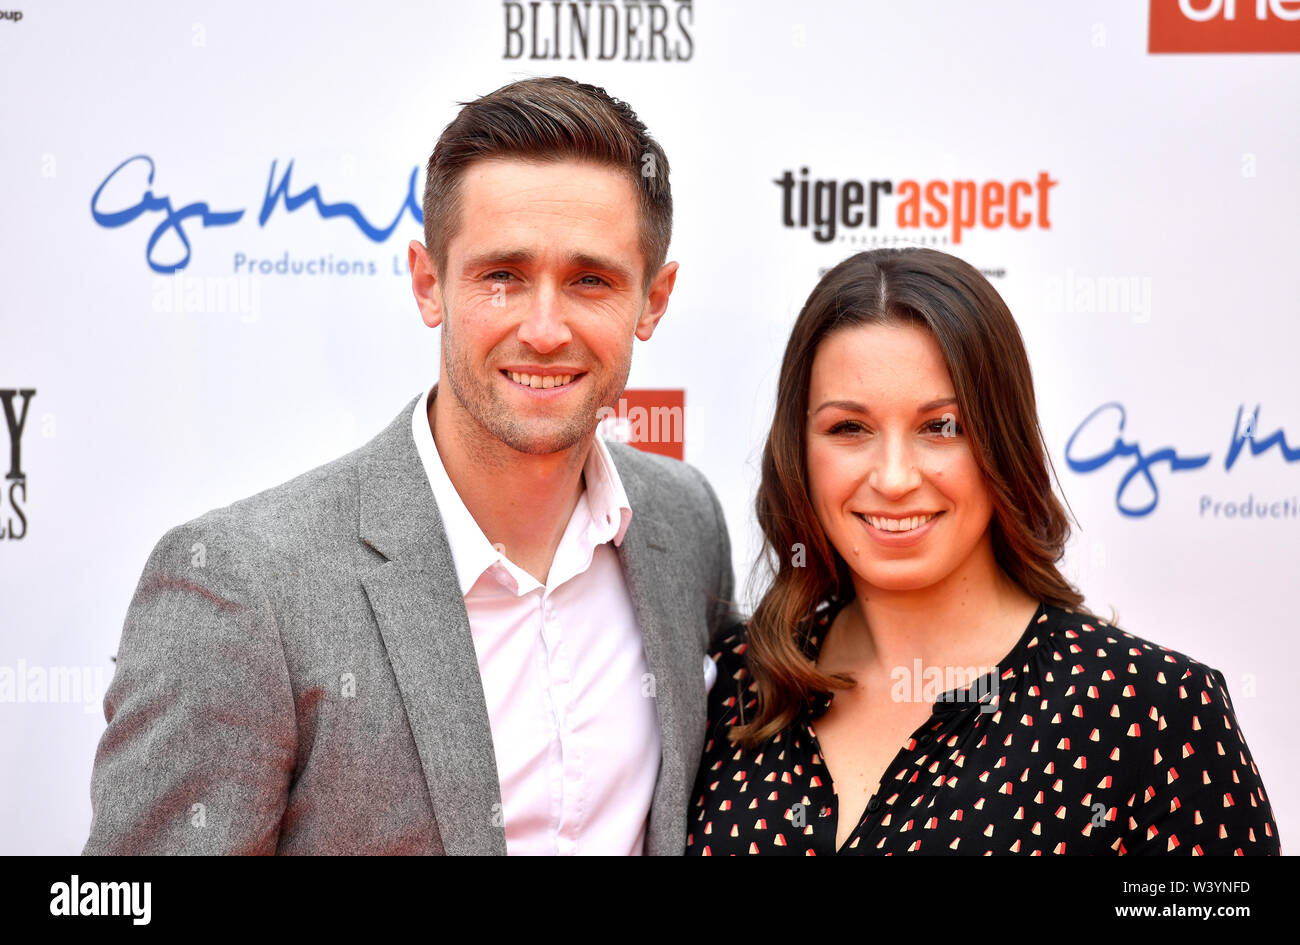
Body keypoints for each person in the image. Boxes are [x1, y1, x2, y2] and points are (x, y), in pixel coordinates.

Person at [84, 76, 736, 855]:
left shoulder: (683, 521)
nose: (544, 328)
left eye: (590, 280)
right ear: (429, 284)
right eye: (502, 276)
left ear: (653, 299)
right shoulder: (244, 583)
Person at [687, 247, 1280, 856]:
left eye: (941, 427)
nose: (894, 478)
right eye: (850, 428)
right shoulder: (732, 683)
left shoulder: (1156, 713)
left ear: (1002, 441)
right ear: (798, 451)